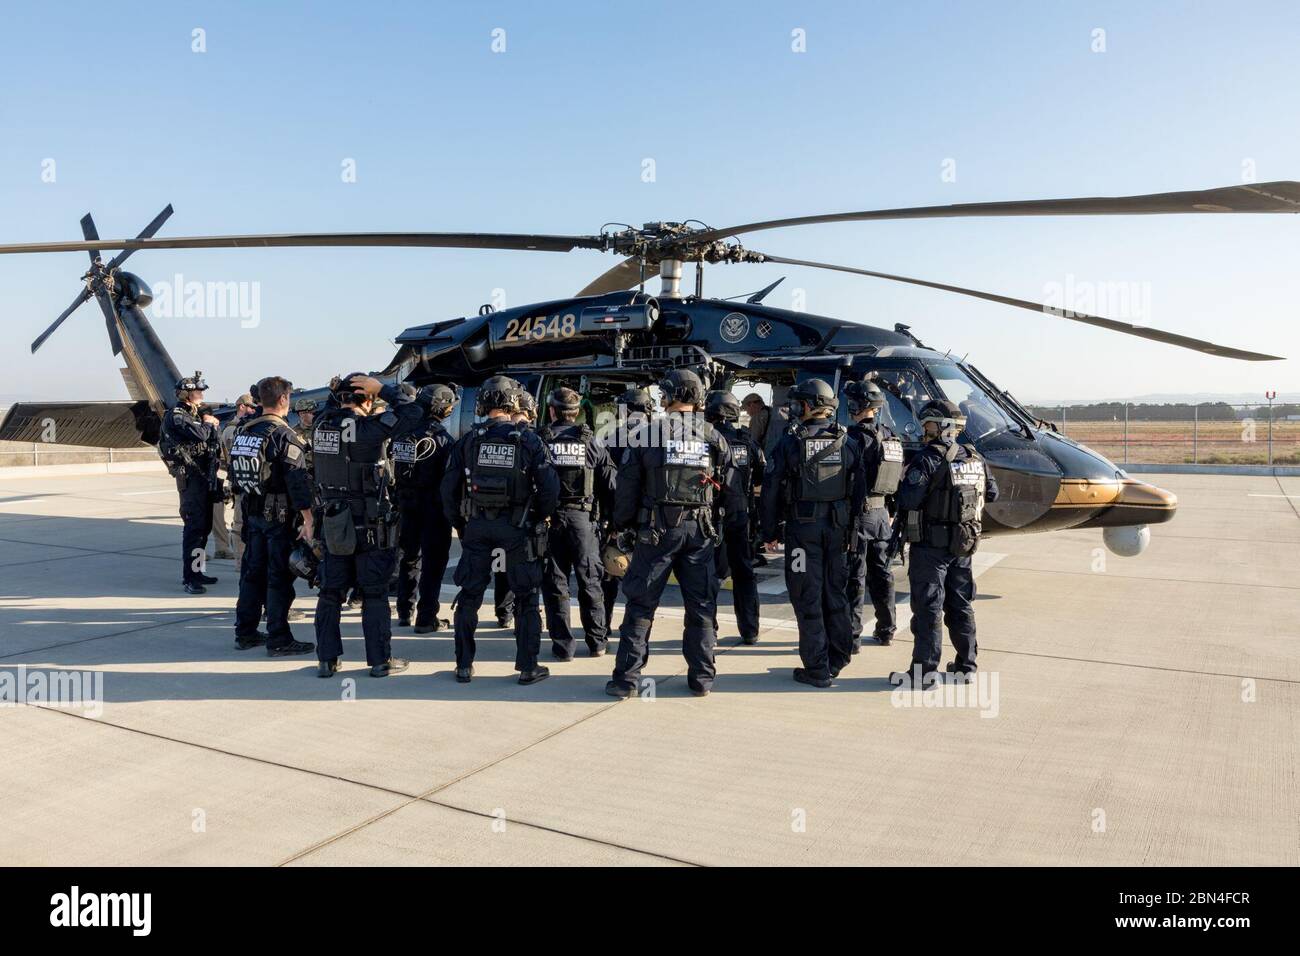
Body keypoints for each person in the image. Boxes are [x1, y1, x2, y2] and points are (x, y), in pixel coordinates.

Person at [607, 369, 737, 698]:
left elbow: (626, 489)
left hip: (656, 530)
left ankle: (626, 681)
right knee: (702, 606)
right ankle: (702, 678)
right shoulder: (714, 436)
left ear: (670, 396)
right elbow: (730, 491)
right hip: (701, 532)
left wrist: (621, 526)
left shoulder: (646, 434)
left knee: (640, 605)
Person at [441, 376, 559, 684]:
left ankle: (463, 665)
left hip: (478, 525)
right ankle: (528, 667)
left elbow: (448, 490)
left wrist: (461, 524)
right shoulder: (528, 439)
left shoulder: (469, 440)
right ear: (513, 403)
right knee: (526, 597)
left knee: (469, 596)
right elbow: (549, 489)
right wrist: (537, 519)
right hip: (517, 527)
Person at [313, 374, 429, 678]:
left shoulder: (320, 425)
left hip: (334, 522)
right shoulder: (366, 430)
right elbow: (414, 413)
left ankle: (326, 661)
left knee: (330, 593)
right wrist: (385, 390)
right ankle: (379, 661)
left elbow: (333, 409)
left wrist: (340, 391)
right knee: (375, 594)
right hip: (370, 526)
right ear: (367, 399)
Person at [760, 377, 866, 688]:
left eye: (797, 404)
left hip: (802, 531)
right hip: (838, 530)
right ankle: (838, 657)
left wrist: (769, 531)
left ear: (808, 406)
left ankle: (817, 668)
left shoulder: (790, 442)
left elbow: (770, 491)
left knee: (807, 597)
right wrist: (852, 531)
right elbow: (859, 493)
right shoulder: (849, 442)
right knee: (835, 593)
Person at [890, 400, 999, 687]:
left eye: (928, 425)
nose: (924, 431)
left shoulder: (927, 459)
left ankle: (923, 672)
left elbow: (908, 500)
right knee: (961, 604)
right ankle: (967, 666)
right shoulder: (975, 457)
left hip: (931, 547)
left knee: (928, 607)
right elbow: (993, 493)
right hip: (964, 544)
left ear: (943, 427)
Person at [229, 376, 316, 655]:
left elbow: (235, 475)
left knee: (252, 575)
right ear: (283, 400)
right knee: (278, 578)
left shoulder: (245, 430)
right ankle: (279, 638)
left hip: (251, 511)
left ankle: (245, 632)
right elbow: (297, 480)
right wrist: (308, 518)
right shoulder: (283, 435)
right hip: (278, 518)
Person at [538, 386, 618, 659]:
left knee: (555, 583)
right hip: (583, 520)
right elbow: (611, 484)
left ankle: (563, 647)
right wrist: (612, 522)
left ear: (551, 411)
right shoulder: (591, 441)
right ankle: (597, 643)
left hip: (549, 521)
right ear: (576, 413)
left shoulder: (541, 440)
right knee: (591, 581)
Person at [843, 379, 904, 650]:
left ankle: (851, 635)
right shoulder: (892, 437)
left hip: (859, 514)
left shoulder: (853, 438)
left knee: (855, 576)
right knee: (882, 574)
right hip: (882, 515)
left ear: (858, 405)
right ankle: (886, 628)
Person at [393, 384, 458, 632]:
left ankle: (404, 611)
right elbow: (450, 480)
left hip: (405, 504)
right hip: (434, 508)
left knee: (409, 557)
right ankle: (426, 616)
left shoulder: (403, 434)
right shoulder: (443, 440)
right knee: (433, 562)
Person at [705, 390, 765, 645]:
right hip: (740, 513)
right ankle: (749, 630)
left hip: (709, 515)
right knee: (743, 572)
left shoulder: (705, 439)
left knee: (709, 574)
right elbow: (762, 475)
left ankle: (710, 630)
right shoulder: (747, 440)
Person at [159, 371, 222, 594]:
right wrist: (208, 423)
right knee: (194, 529)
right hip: (190, 479)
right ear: (185, 394)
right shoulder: (177, 415)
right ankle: (190, 578)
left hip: (203, 477)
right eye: (197, 391)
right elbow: (201, 435)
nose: (201, 395)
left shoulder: (194, 413)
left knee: (204, 528)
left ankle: (198, 571)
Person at [599, 385, 655, 629]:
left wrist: (612, 522)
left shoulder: (611, 438)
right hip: (650, 520)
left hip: (618, 516)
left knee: (609, 573)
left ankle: (603, 623)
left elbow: (606, 483)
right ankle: (633, 623)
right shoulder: (659, 438)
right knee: (641, 575)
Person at [490, 389, 538, 628]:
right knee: (527, 566)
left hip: (496, 513)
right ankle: (524, 615)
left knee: (501, 565)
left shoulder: (494, 436)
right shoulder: (532, 439)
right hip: (525, 513)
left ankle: (504, 613)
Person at [218, 393, 258, 571]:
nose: (253, 410)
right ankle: (240, 562)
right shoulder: (233, 430)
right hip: (241, 481)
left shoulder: (244, 427)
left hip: (247, 480)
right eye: (250, 407)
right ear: (242, 406)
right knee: (241, 523)